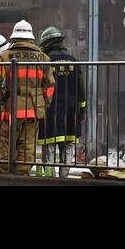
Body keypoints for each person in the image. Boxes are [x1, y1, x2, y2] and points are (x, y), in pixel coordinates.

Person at [0, 20, 54, 174]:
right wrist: (44, 103)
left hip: (12, 108)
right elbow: (50, 85)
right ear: (31, 38)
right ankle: (22, 174)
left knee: (6, 142)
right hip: (33, 109)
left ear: (14, 37)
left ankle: (3, 174)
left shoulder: (5, 56)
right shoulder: (43, 58)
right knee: (28, 144)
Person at [38, 26, 86, 176]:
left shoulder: (45, 61)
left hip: (50, 108)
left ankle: (50, 177)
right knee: (68, 143)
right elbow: (81, 89)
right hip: (71, 110)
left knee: (49, 143)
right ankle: (64, 177)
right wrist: (82, 108)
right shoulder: (73, 60)